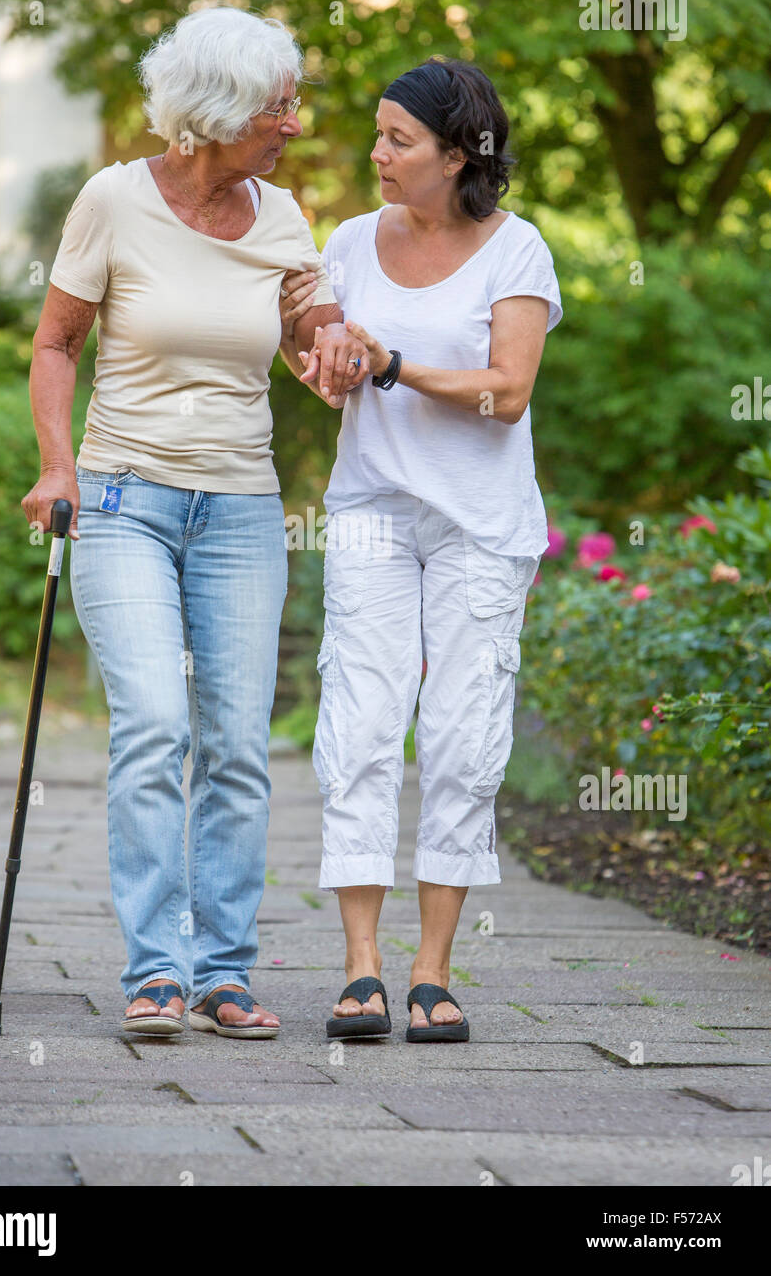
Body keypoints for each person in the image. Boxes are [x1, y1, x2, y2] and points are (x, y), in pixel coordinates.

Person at [20, 7, 367, 1039]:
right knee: (154, 727)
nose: (293, 124)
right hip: (122, 497)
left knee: (234, 743)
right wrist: (56, 465)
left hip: (241, 510)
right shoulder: (114, 201)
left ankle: (222, 972)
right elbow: (54, 347)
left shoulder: (279, 216)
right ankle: (154, 969)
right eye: (277, 106)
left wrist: (336, 344)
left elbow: (313, 335)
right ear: (215, 112)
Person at [279, 59, 562, 1041]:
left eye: (396, 139)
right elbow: (315, 354)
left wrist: (393, 363)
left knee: (460, 733)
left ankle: (430, 971)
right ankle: (357, 967)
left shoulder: (514, 251)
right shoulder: (350, 240)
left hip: (479, 523)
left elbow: (507, 390)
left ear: (456, 154)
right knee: (357, 722)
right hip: (370, 508)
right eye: (377, 134)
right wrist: (324, 359)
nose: (375, 154)